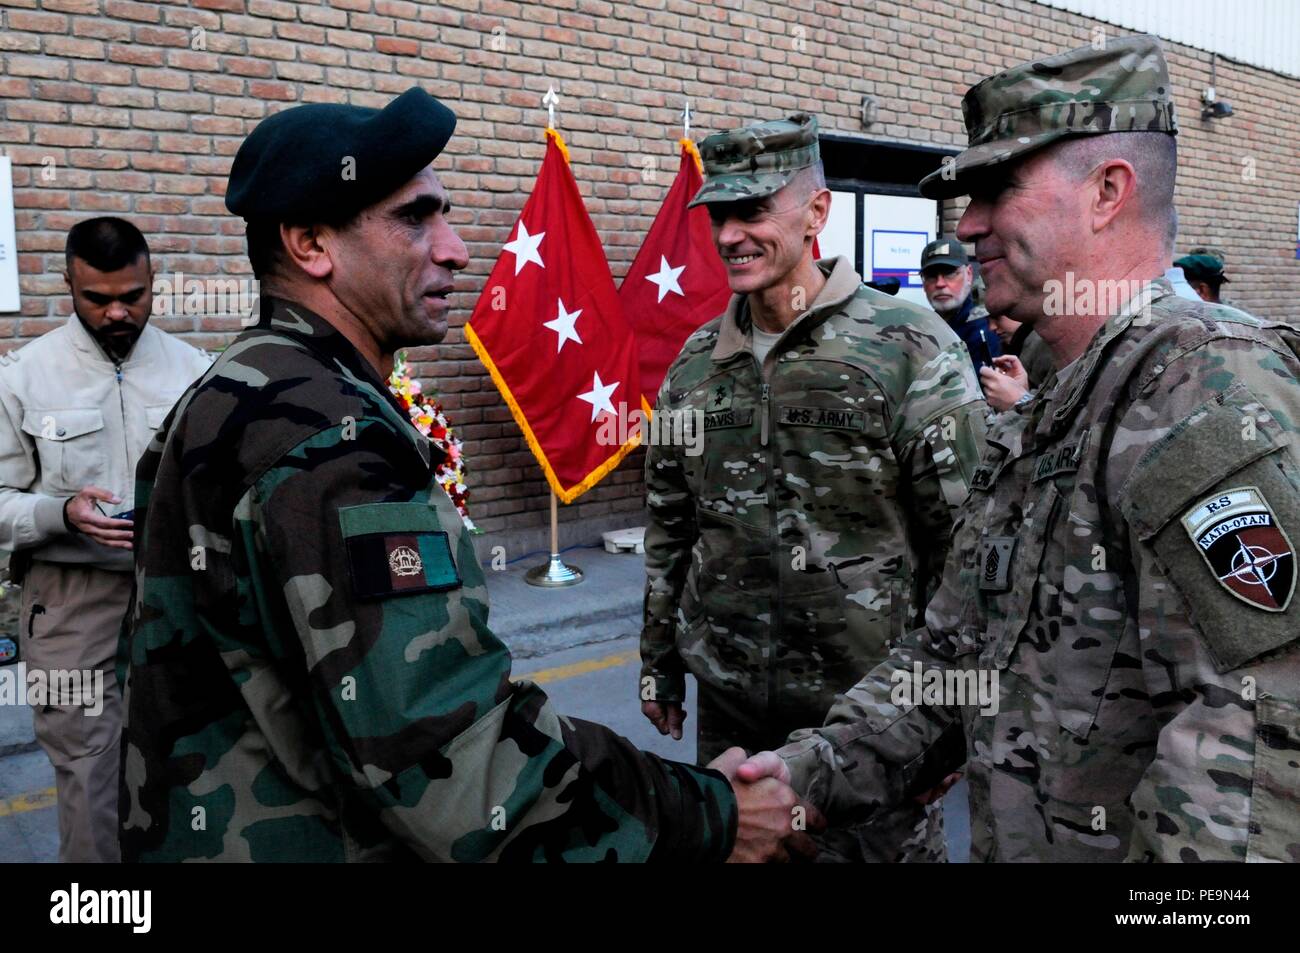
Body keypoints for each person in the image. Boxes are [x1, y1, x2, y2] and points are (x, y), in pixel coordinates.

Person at [116, 88, 809, 863]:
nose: (454, 248)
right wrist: (709, 813)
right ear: (312, 243)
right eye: (415, 218)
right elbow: (459, 759)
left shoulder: (239, 386)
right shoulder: (327, 435)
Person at [735, 34, 1300, 862]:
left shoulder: (1203, 382)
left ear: (1108, 191)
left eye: (997, 189)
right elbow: (956, 654)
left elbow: (1257, 754)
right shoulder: (1054, 400)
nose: (967, 225)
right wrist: (809, 775)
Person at [639, 112, 987, 862]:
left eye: (754, 210)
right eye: (721, 214)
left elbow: (969, 552)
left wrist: (949, 722)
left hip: (867, 720)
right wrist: (659, 658)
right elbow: (670, 522)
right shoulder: (693, 367)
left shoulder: (911, 348)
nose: (731, 233)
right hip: (731, 714)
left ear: (816, 212)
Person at [0, 217, 211, 862]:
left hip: (177, 597)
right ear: (68, 284)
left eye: (134, 295)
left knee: (188, 756)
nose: (118, 312)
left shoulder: (196, 371)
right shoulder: (22, 377)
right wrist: (60, 513)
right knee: (90, 766)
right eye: (97, 299)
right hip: (69, 602)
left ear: (154, 283)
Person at [919, 237, 1001, 371]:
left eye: (949, 273)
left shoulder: (983, 330)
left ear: (968, 274)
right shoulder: (925, 328)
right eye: (931, 276)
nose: (940, 283)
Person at [979, 313, 1053, 412]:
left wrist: (1018, 401)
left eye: (997, 317)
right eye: (988, 320)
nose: (991, 327)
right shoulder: (1011, 346)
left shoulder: (1042, 345)